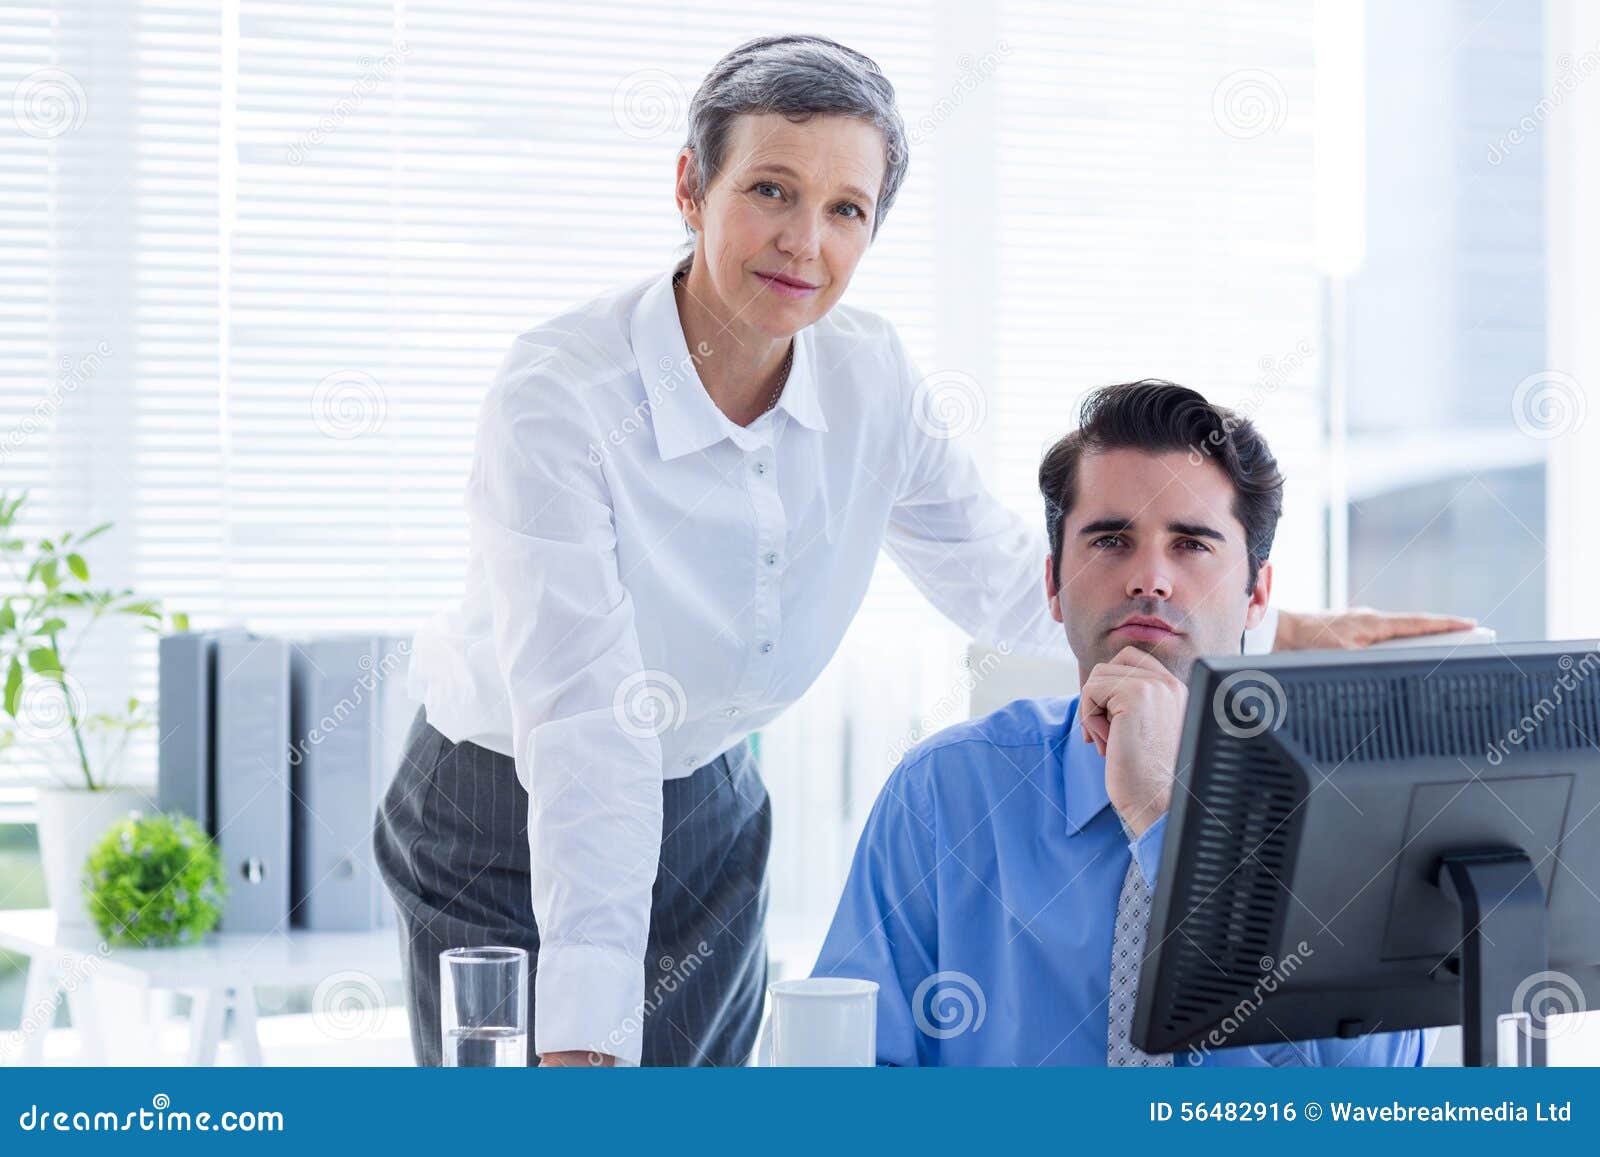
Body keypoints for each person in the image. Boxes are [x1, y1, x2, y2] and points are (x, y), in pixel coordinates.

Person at [373, 36, 1470, 1069]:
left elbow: (1012, 579)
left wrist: (1272, 631)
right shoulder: (560, 395)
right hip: (509, 795)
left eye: (845, 207)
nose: (805, 241)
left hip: (706, 794)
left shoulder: (867, 375)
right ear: (688, 189)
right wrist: (579, 1048)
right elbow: (586, 725)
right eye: (770, 190)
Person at [811, 381, 1436, 1067]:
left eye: (1192, 544)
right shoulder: (943, 795)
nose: (1149, 578)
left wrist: (1169, 824)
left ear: (1258, 593)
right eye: (1111, 540)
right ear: (1052, 584)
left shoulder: (1351, 813)